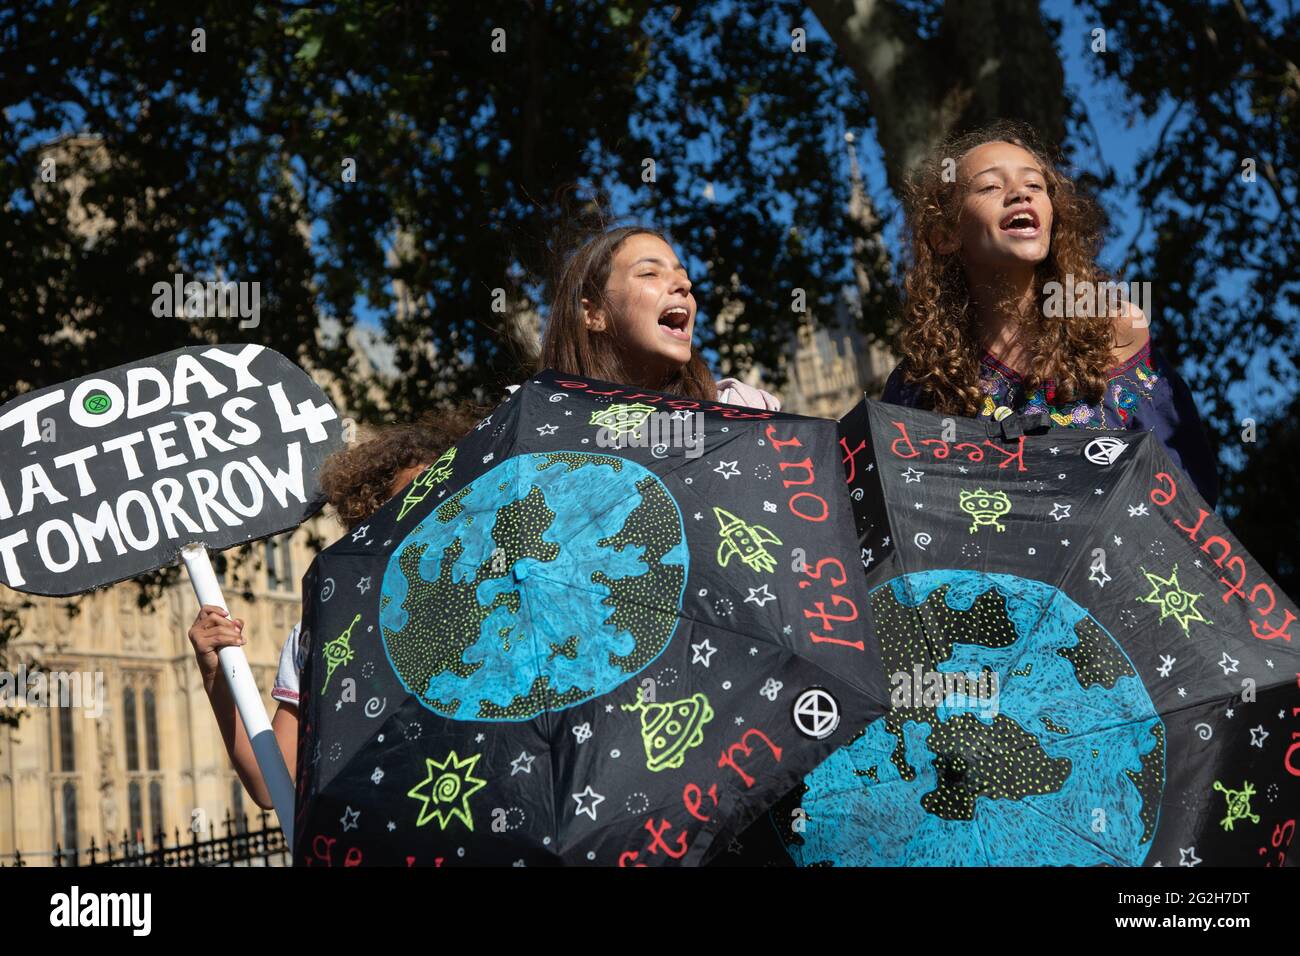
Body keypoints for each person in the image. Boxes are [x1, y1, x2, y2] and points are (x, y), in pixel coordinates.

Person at [880, 120, 1218, 507]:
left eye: (1035, 186)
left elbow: (1187, 493)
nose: (1019, 193)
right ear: (945, 235)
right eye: (991, 186)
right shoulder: (923, 382)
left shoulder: (1115, 330)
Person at [187, 412, 481, 811]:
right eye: (414, 501)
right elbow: (272, 785)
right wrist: (215, 677)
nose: (432, 515)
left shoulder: (500, 602)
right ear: (374, 518)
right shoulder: (323, 631)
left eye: (445, 497)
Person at [530, 225, 782, 410]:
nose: (685, 283)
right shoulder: (534, 421)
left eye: (682, 274)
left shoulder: (743, 410)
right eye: (649, 273)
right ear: (593, 314)